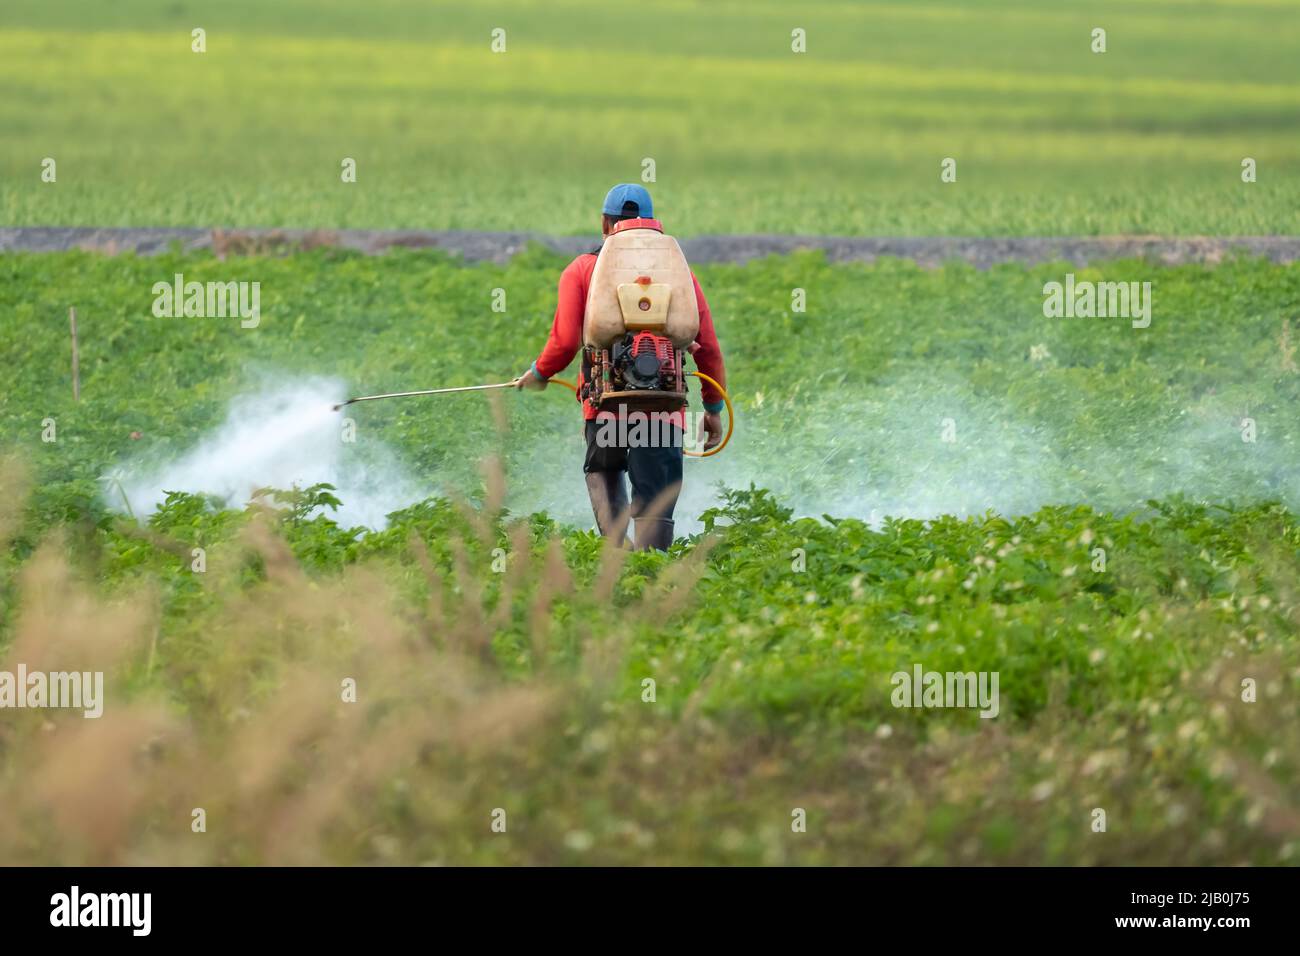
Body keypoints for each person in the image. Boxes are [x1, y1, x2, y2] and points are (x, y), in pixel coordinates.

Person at [514, 184, 727, 550]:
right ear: (652, 226)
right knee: (656, 499)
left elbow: (565, 342)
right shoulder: (679, 275)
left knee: (604, 471)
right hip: (663, 409)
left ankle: (618, 558)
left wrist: (539, 373)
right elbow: (706, 346)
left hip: (605, 407)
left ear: (604, 224)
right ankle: (652, 574)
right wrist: (712, 409)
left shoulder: (581, 270)